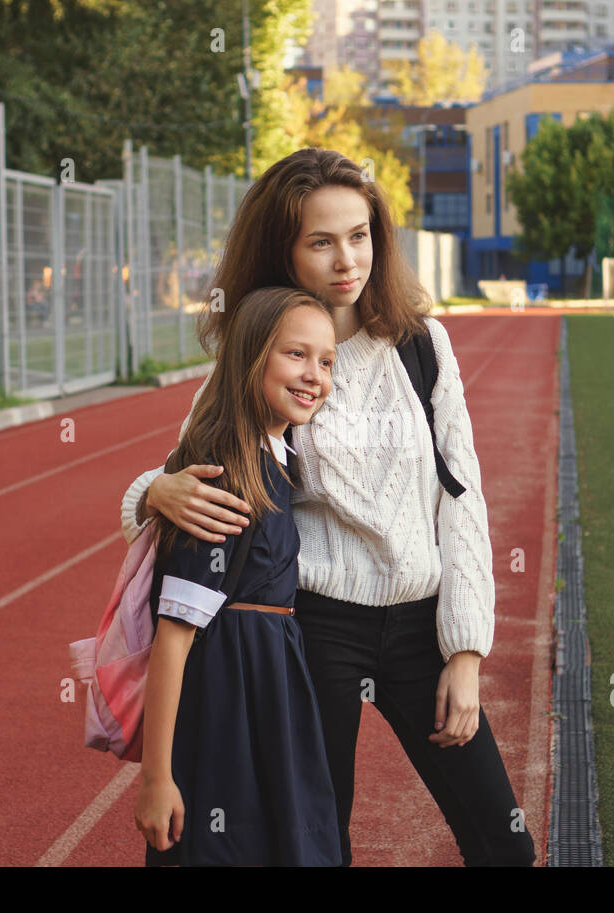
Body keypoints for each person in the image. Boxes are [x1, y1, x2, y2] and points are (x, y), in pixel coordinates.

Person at [121, 148, 535, 867]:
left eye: (360, 234)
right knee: (316, 848)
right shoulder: (264, 352)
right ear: (284, 249)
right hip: (316, 633)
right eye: (321, 241)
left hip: (421, 626)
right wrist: (152, 492)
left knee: (503, 843)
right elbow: (193, 462)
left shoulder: (421, 347)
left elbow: (462, 502)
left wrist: (466, 655)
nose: (348, 259)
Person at [135, 285, 342, 867]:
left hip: (272, 698)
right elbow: (172, 640)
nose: (314, 375)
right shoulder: (227, 475)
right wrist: (157, 778)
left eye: (326, 361)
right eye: (295, 355)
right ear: (252, 357)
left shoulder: (279, 458)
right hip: (230, 707)